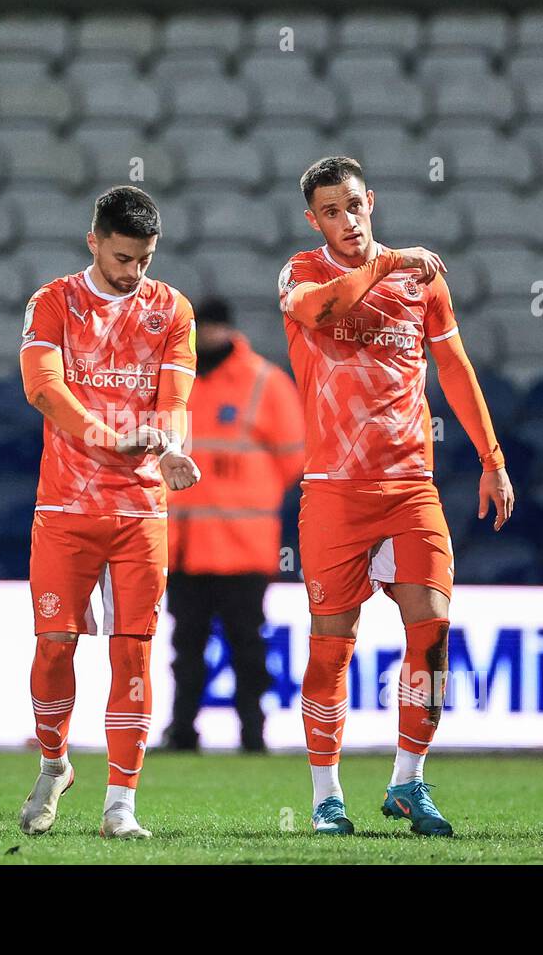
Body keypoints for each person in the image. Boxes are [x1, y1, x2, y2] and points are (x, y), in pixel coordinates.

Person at [278, 156, 515, 837]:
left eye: (353, 205)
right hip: (334, 492)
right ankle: (326, 795)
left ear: (370, 200)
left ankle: (408, 782)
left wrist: (491, 458)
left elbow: (455, 367)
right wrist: (387, 265)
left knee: (433, 635)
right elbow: (328, 307)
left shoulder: (422, 281)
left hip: (411, 486)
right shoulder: (301, 274)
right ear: (313, 220)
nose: (346, 220)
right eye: (331, 211)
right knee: (332, 645)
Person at [18, 185, 201, 839]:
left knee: (133, 656)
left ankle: (120, 806)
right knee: (54, 647)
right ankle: (54, 762)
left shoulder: (173, 309)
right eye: (123, 257)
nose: (134, 271)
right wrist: (106, 436)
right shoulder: (54, 302)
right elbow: (43, 388)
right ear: (92, 241)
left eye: (145, 259)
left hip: (140, 510)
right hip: (66, 506)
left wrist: (174, 446)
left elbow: (175, 394)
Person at [164, 298, 305, 753]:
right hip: (184, 546)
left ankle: (253, 734)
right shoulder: (177, 382)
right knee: (186, 647)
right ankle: (182, 731)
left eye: (211, 328)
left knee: (247, 646)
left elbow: (293, 461)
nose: (206, 337)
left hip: (242, 548)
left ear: (227, 330)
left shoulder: (264, 383)